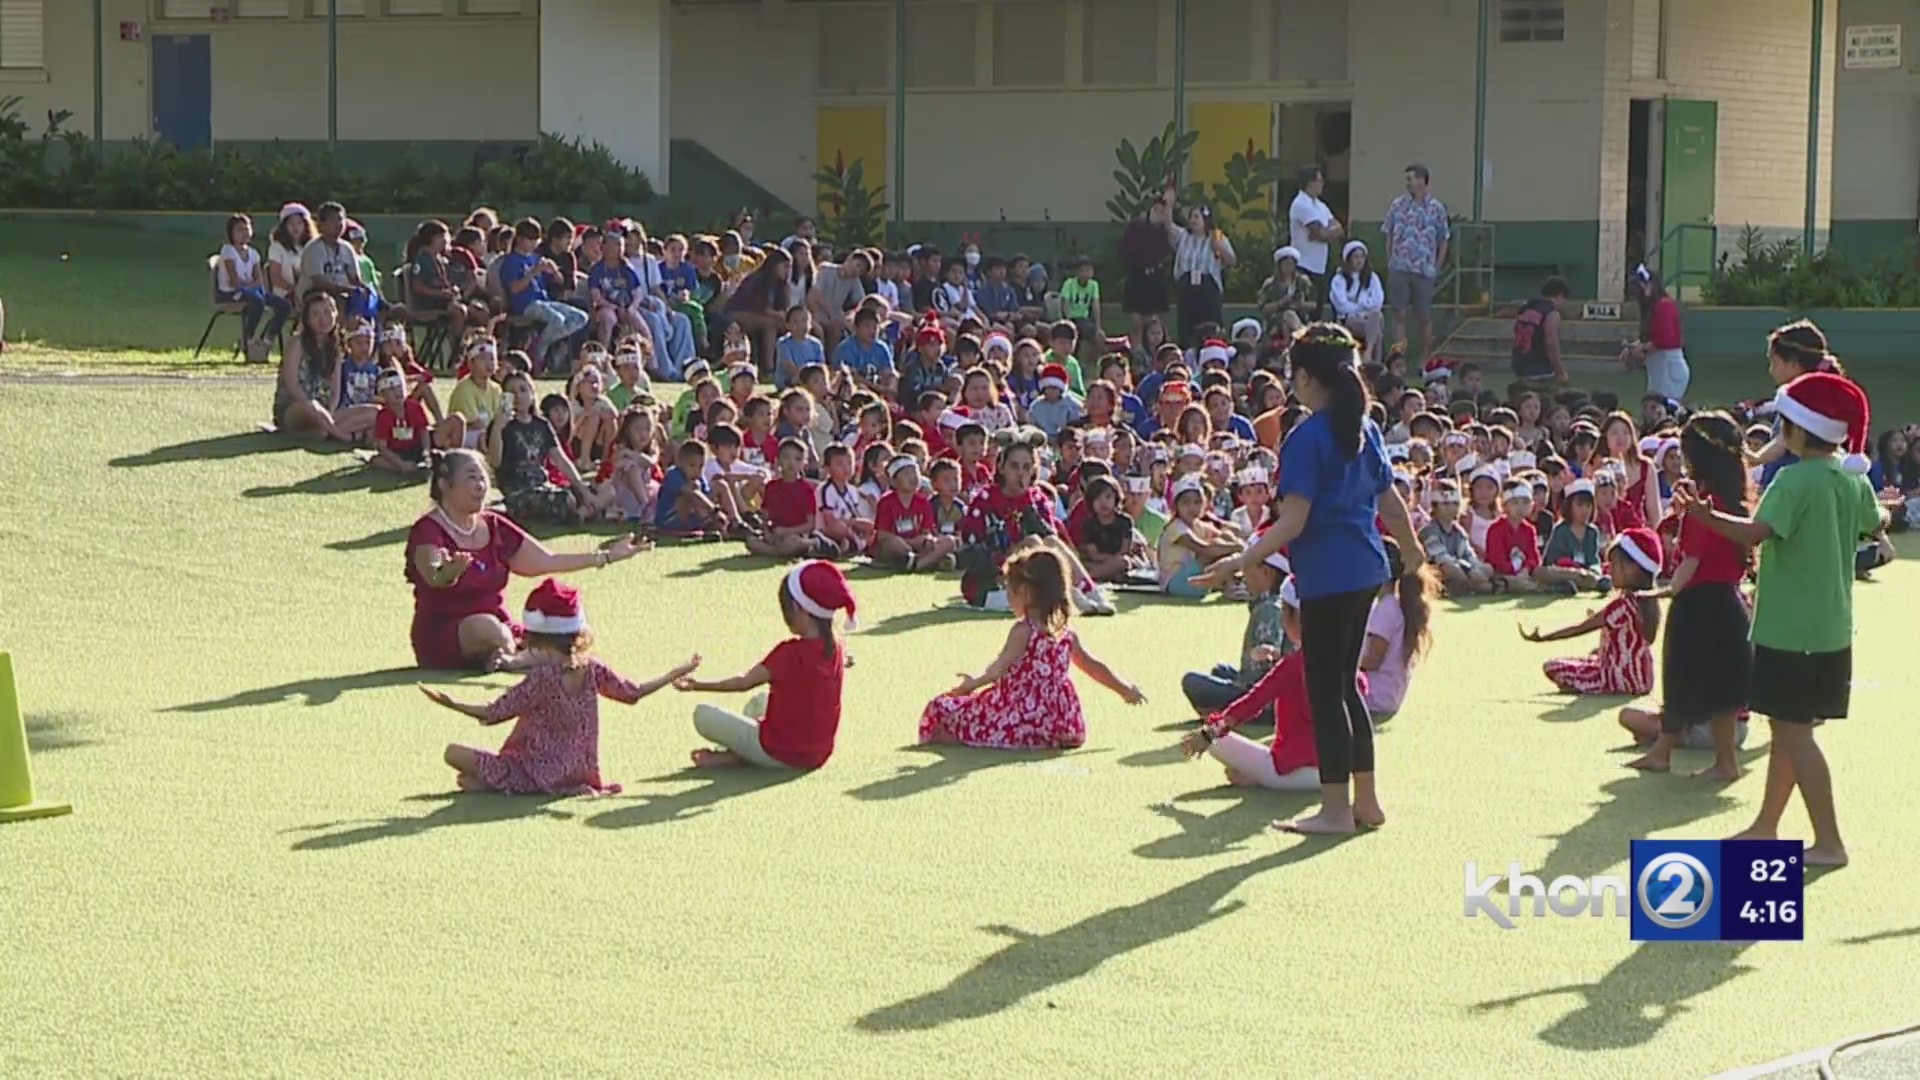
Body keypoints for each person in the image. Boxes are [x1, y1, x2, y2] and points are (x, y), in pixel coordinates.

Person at [1193, 322, 1425, 834]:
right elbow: (1389, 499)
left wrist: (1239, 560)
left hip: (1327, 575)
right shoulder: (1363, 427)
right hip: (1366, 569)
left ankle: (1336, 811)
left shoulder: (1306, 437)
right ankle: (1366, 802)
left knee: (1327, 693)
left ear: (1302, 376)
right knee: (1346, 690)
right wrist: (1410, 548)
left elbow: (1293, 520)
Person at [1675, 371, 1880, 866]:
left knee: (1793, 734)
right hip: (1830, 630)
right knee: (1788, 730)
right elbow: (1877, 524)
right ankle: (1766, 827)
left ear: (1797, 431)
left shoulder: (1793, 479)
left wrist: (1705, 517)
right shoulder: (1850, 478)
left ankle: (1829, 842)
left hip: (1790, 631)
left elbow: (1755, 533)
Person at [421, 579, 696, 796]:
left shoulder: (544, 678)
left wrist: (451, 703)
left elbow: (492, 713)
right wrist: (673, 673)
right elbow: (633, 692)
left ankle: (515, 786)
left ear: (539, 639)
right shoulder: (592, 668)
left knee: (453, 754)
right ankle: (502, 786)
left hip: (530, 771)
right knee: (467, 782)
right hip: (579, 773)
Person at [405, 449, 648, 672]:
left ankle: (502, 657)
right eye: (471, 478)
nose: (480, 486)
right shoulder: (429, 531)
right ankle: (515, 659)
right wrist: (449, 572)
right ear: (445, 485)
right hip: (444, 636)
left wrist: (604, 556)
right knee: (487, 627)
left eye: (482, 478)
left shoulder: (494, 525)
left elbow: (547, 560)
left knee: (567, 641)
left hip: (502, 630)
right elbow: (434, 573)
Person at [1623, 411, 1753, 778]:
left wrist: (1660, 592)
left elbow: (1690, 563)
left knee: (1681, 678)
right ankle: (1723, 761)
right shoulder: (1736, 502)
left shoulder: (1704, 505)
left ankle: (1665, 754)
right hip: (1728, 604)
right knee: (1723, 689)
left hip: (1698, 604)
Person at [919, 541, 1144, 750]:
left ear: (1024, 592)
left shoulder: (1023, 631)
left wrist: (971, 685)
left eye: (1010, 591)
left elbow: (998, 669)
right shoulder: (1065, 633)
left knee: (942, 709)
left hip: (1022, 714)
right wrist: (1124, 689)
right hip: (1063, 721)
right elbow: (1093, 666)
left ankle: (956, 736)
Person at [673, 560, 854, 769]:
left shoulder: (789, 653)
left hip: (781, 753)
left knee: (703, 714)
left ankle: (738, 756)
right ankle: (739, 754)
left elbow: (742, 682)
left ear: (798, 608)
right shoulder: (837, 647)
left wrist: (697, 685)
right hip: (818, 754)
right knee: (759, 702)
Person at [1177, 576, 1338, 791]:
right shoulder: (1340, 656)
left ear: (1294, 617)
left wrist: (1208, 734)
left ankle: (1264, 778)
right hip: (1337, 772)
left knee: (1218, 741)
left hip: (1294, 771)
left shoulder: (1292, 665)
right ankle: (1259, 776)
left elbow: (1253, 702)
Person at [1519, 529, 1663, 696]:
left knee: (1552, 666)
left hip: (1618, 679)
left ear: (1633, 569)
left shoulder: (1621, 606)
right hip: (1643, 679)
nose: (1610, 570)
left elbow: (1580, 628)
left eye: (1615, 565)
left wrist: (1543, 637)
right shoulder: (1647, 603)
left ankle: (1589, 685)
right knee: (1594, 654)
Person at [1180, 539, 1289, 717]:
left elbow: (1264, 669)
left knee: (1191, 681)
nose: (1243, 577)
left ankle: (1240, 712)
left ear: (1266, 573)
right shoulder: (1270, 602)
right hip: (1259, 686)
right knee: (1219, 670)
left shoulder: (1269, 608)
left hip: (1261, 696)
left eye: (1249, 572)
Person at [272, 292, 375, 442]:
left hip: (326, 409)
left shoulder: (336, 346)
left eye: (327, 312)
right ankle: (344, 436)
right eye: (316, 314)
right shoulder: (297, 343)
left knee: (375, 412)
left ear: (335, 314)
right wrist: (314, 407)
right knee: (312, 407)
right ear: (307, 319)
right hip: (296, 407)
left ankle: (325, 430)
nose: (323, 319)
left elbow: (335, 389)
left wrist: (329, 411)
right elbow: (292, 384)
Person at [1359, 538, 1435, 721]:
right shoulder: (1393, 605)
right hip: (1387, 699)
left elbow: (1371, 661)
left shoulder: (1386, 609)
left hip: (1374, 700)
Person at [501, 217, 588, 372]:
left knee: (580, 317)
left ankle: (540, 344)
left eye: (536, 239)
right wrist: (533, 272)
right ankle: (539, 354)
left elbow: (560, 282)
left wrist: (554, 271)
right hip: (525, 304)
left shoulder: (536, 258)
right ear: (520, 239)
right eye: (530, 239)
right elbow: (514, 288)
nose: (534, 243)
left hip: (543, 301)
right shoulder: (511, 261)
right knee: (557, 320)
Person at [1382, 163, 1450, 359]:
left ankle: (1423, 360)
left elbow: (1443, 238)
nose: (1408, 183)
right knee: (1399, 314)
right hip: (1400, 267)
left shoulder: (1436, 208)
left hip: (1425, 269)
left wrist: (1437, 266)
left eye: (1411, 179)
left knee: (1424, 317)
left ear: (1422, 180)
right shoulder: (1398, 205)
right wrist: (1390, 260)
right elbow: (1389, 233)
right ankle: (1399, 359)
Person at [1163, 186, 1236, 344]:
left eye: (1197, 217)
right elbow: (1168, 226)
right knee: (1186, 326)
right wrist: (1168, 205)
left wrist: (1219, 248)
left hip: (1208, 288)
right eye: (1191, 217)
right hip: (1186, 286)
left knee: (1210, 326)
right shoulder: (1183, 236)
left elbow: (1232, 261)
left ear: (1205, 220)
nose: (1193, 220)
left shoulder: (1217, 237)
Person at [369, 367, 463, 476]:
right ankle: (414, 467)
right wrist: (401, 464)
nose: (397, 391)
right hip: (398, 453)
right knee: (376, 460)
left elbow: (424, 432)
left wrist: (426, 452)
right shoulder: (383, 415)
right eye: (391, 389)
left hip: (419, 446)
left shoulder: (414, 407)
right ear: (382, 395)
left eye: (399, 386)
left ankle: (453, 461)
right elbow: (382, 447)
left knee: (457, 419)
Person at [215, 212, 283, 356]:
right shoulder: (228, 251)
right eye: (239, 230)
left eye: (247, 229)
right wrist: (249, 284)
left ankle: (267, 337)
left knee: (284, 305)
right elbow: (234, 281)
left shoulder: (254, 253)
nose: (244, 233)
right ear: (231, 233)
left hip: (252, 291)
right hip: (231, 293)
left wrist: (250, 284)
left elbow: (259, 279)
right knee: (257, 301)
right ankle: (247, 338)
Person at [1622, 264, 1690, 402]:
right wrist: (1632, 349)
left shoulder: (1664, 305)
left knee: (1663, 409)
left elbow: (1665, 340)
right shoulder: (1651, 308)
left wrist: (1641, 348)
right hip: (1659, 369)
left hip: (1669, 369)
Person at [1287, 165, 1343, 296]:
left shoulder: (1320, 205)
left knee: (1318, 310)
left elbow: (1339, 229)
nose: (1322, 184)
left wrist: (1327, 232)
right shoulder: (1301, 204)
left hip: (1320, 267)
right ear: (1310, 183)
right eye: (1320, 181)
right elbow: (1319, 234)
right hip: (1303, 265)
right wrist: (1326, 233)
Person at [1328, 240, 1386, 363]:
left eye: (1362, 257)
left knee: (1376, 317)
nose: (1359, 260)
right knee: (1377, 328)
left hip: (1369, 318)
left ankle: (1368, 353)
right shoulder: (1339, 279)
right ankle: (1375, 363)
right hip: (1348, 320)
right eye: (1355, 257)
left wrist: (1357, 304)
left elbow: (1378, 301)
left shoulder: (1372, 278)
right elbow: (1341, 306)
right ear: (1348, 259)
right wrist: (1364, 306)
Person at [264, 203, 311, 342]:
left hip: (307, 292)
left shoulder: (310, 246)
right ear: (284, 226)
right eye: (291, 224)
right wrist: (295, 289)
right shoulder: (277, 247)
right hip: (284, 293)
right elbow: (276, 277)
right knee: (309, 306)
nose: (296, 227)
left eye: (299, 223)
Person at [1512, 276, 1570, 386]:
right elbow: (1551, 344)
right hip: (1541, 369)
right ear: (1560, 295)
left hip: (1520, 365)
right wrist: (1560, 371)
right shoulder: (1551, 313)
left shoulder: (1526, 309)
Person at [1258, 247, 1316, 340]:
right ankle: (1303, 337)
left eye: (1290, 264)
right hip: (1275, 321)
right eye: (1285, 264)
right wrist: (1281, 303)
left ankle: (1292, 343)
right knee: (1288, 315)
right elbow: (1263, 309)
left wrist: (1299, 305)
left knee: (1288, 319)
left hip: (1300, 318)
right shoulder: (1270, 284)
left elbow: (1313, 304)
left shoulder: (1303, 281)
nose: (1288, 267)